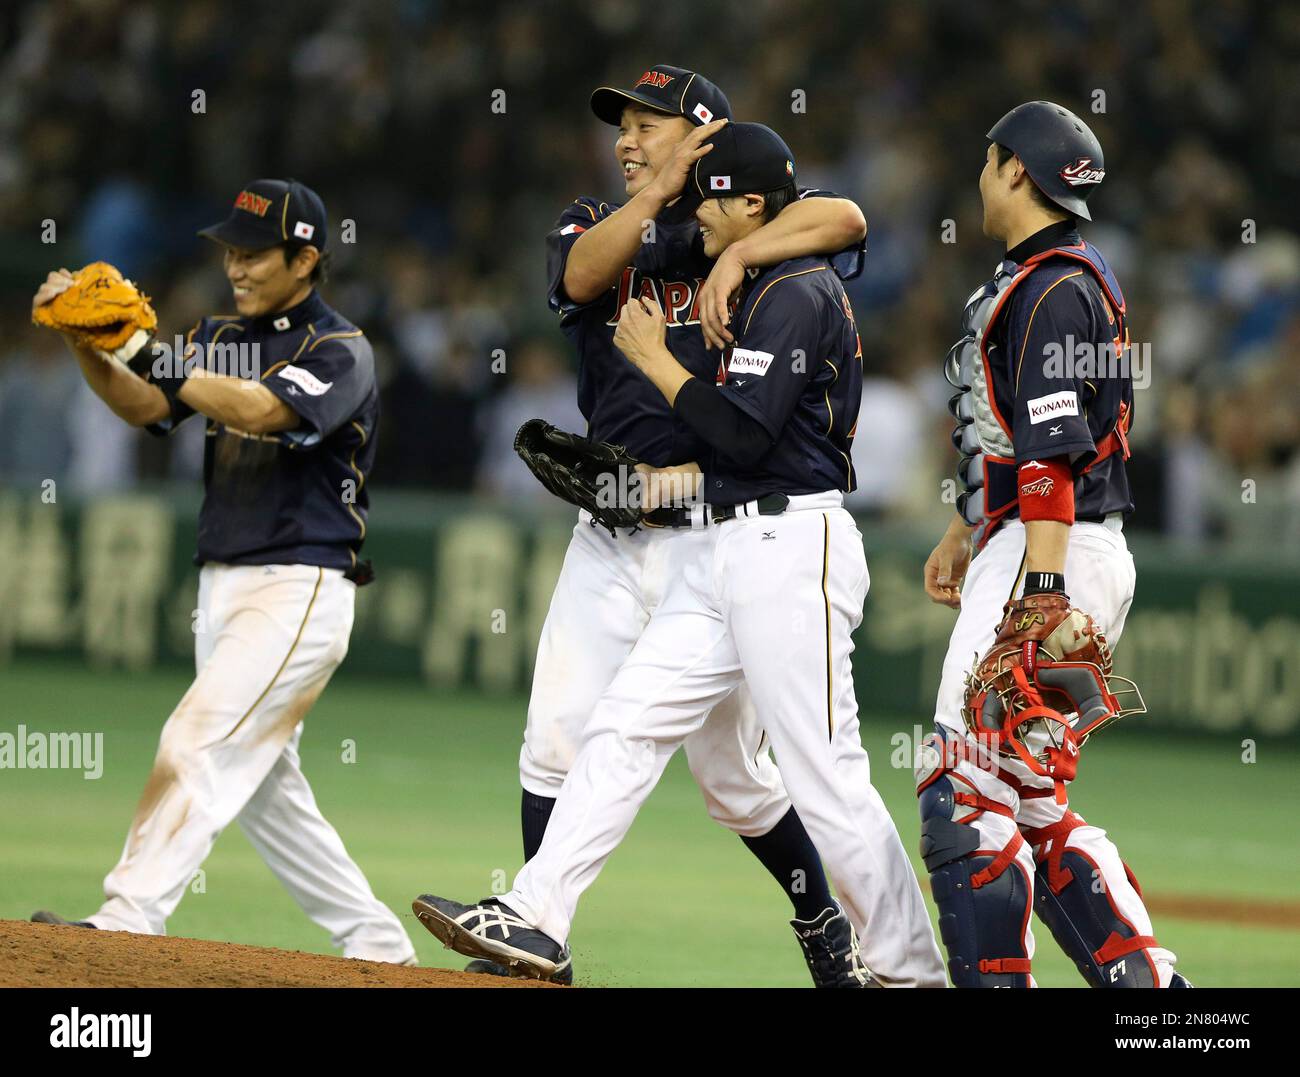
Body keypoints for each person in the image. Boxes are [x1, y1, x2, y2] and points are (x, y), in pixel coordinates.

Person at [414, 123, 947, 989]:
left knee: (825, 774)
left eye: (711, 202)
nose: (697, 218)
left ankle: (910, 971)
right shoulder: (765, 274)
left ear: (748, 204)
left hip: (788, 544)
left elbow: (741, 429)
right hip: (729, 540)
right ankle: (539, 914)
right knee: (624, 724)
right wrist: (658, 481)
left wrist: (658, 362)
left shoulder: (797, 290)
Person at [29, 178, 416, 966]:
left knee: (198, 738)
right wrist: (88, 343)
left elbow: (257, 410)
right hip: (225, 581)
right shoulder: (216, 332)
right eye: (229, 250)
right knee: (269, 792)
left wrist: (139, 346)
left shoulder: (340, 350)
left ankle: (128, 917)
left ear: (305, 257)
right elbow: (145, 406)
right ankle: (380, 950)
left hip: (300, 583)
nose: (235, 265)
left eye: (253, 252)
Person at [915, 102, 1189, 988]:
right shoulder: (1066, 278)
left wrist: (1037, 583)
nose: (982, 175)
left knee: (964, 787)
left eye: (989, 160)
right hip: (1059, 540)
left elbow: (1051, 450)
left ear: (1016, 171)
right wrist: (969, 523)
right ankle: (1160, 1002)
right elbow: (1031, 442)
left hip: (1055, 548)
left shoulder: (1047, 290)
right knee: (1030, 803)